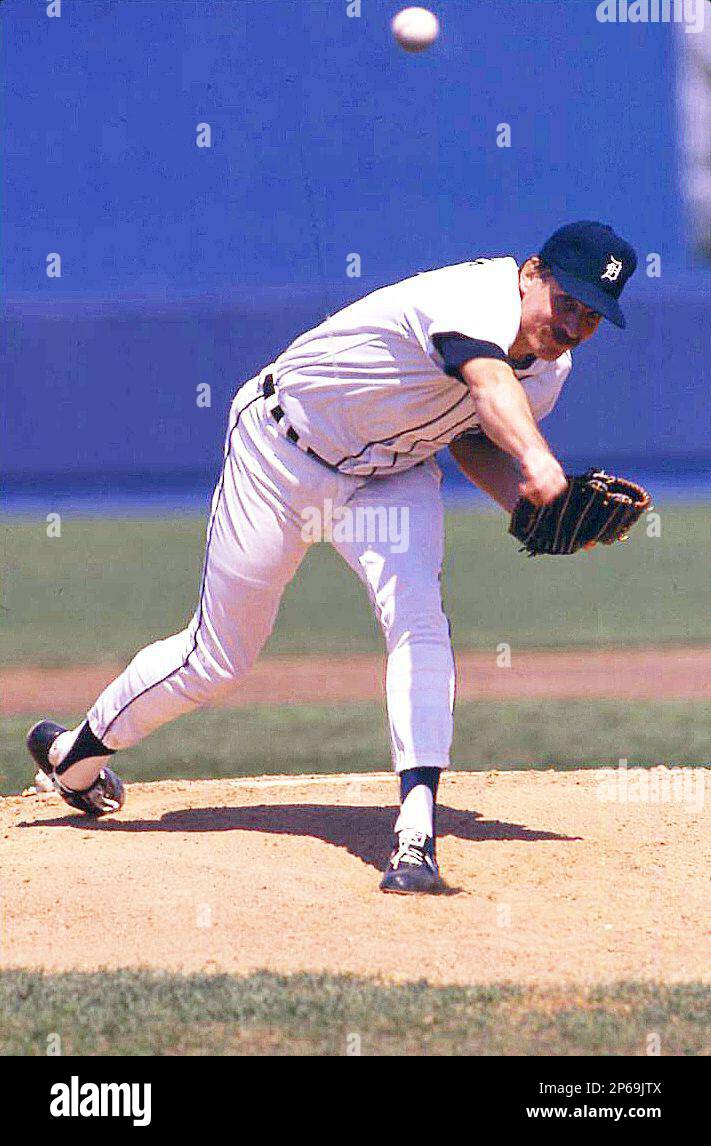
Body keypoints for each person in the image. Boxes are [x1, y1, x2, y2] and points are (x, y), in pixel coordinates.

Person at [27, 220, 637, 894]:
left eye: (591, 315)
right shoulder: (473, 297)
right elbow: (488, 384)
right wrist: (540, 461)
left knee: (419, 620)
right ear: (532, 274)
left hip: (388, 477)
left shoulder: (550, 372)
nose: (574, 323)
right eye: (568, 302)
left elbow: (471, 438)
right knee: (218, 658)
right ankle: (72, 758)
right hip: (280, 449)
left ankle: (415, 834)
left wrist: (528, 508)